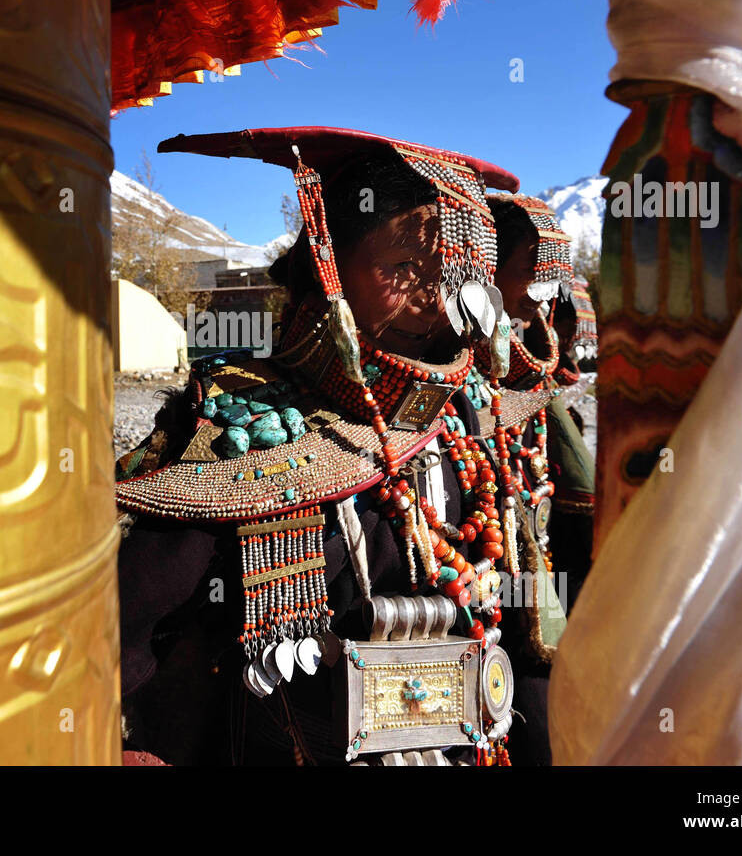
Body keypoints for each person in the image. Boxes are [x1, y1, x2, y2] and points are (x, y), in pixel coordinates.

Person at [115, 127, 564, 765]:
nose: (434, 294)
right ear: (331, 269)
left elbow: (533, 629)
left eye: (451, 270)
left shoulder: (481, 423)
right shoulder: (244, 434)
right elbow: (118, 640)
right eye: (404, 265)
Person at [480, 195, 595, 610]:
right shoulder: (455, 381)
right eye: (530, 274)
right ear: (488, 270)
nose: (541, 298)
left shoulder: (533, 377)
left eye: (548, 281)